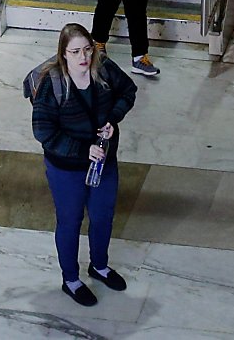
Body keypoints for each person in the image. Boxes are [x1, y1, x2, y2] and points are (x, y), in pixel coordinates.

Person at [27, 22, 138, 306]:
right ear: (63, 54)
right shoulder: (52, 84)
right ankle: (71, 280)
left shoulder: (104, 68)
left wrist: (112, 120)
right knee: (70, 221)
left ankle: (99, 266)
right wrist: (82, 150)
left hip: (104, 162)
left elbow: (128, 91)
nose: (83, 57)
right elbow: (43, 132)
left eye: (87, 49)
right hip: (65, 168)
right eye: (75, 51)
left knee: (102, 216)